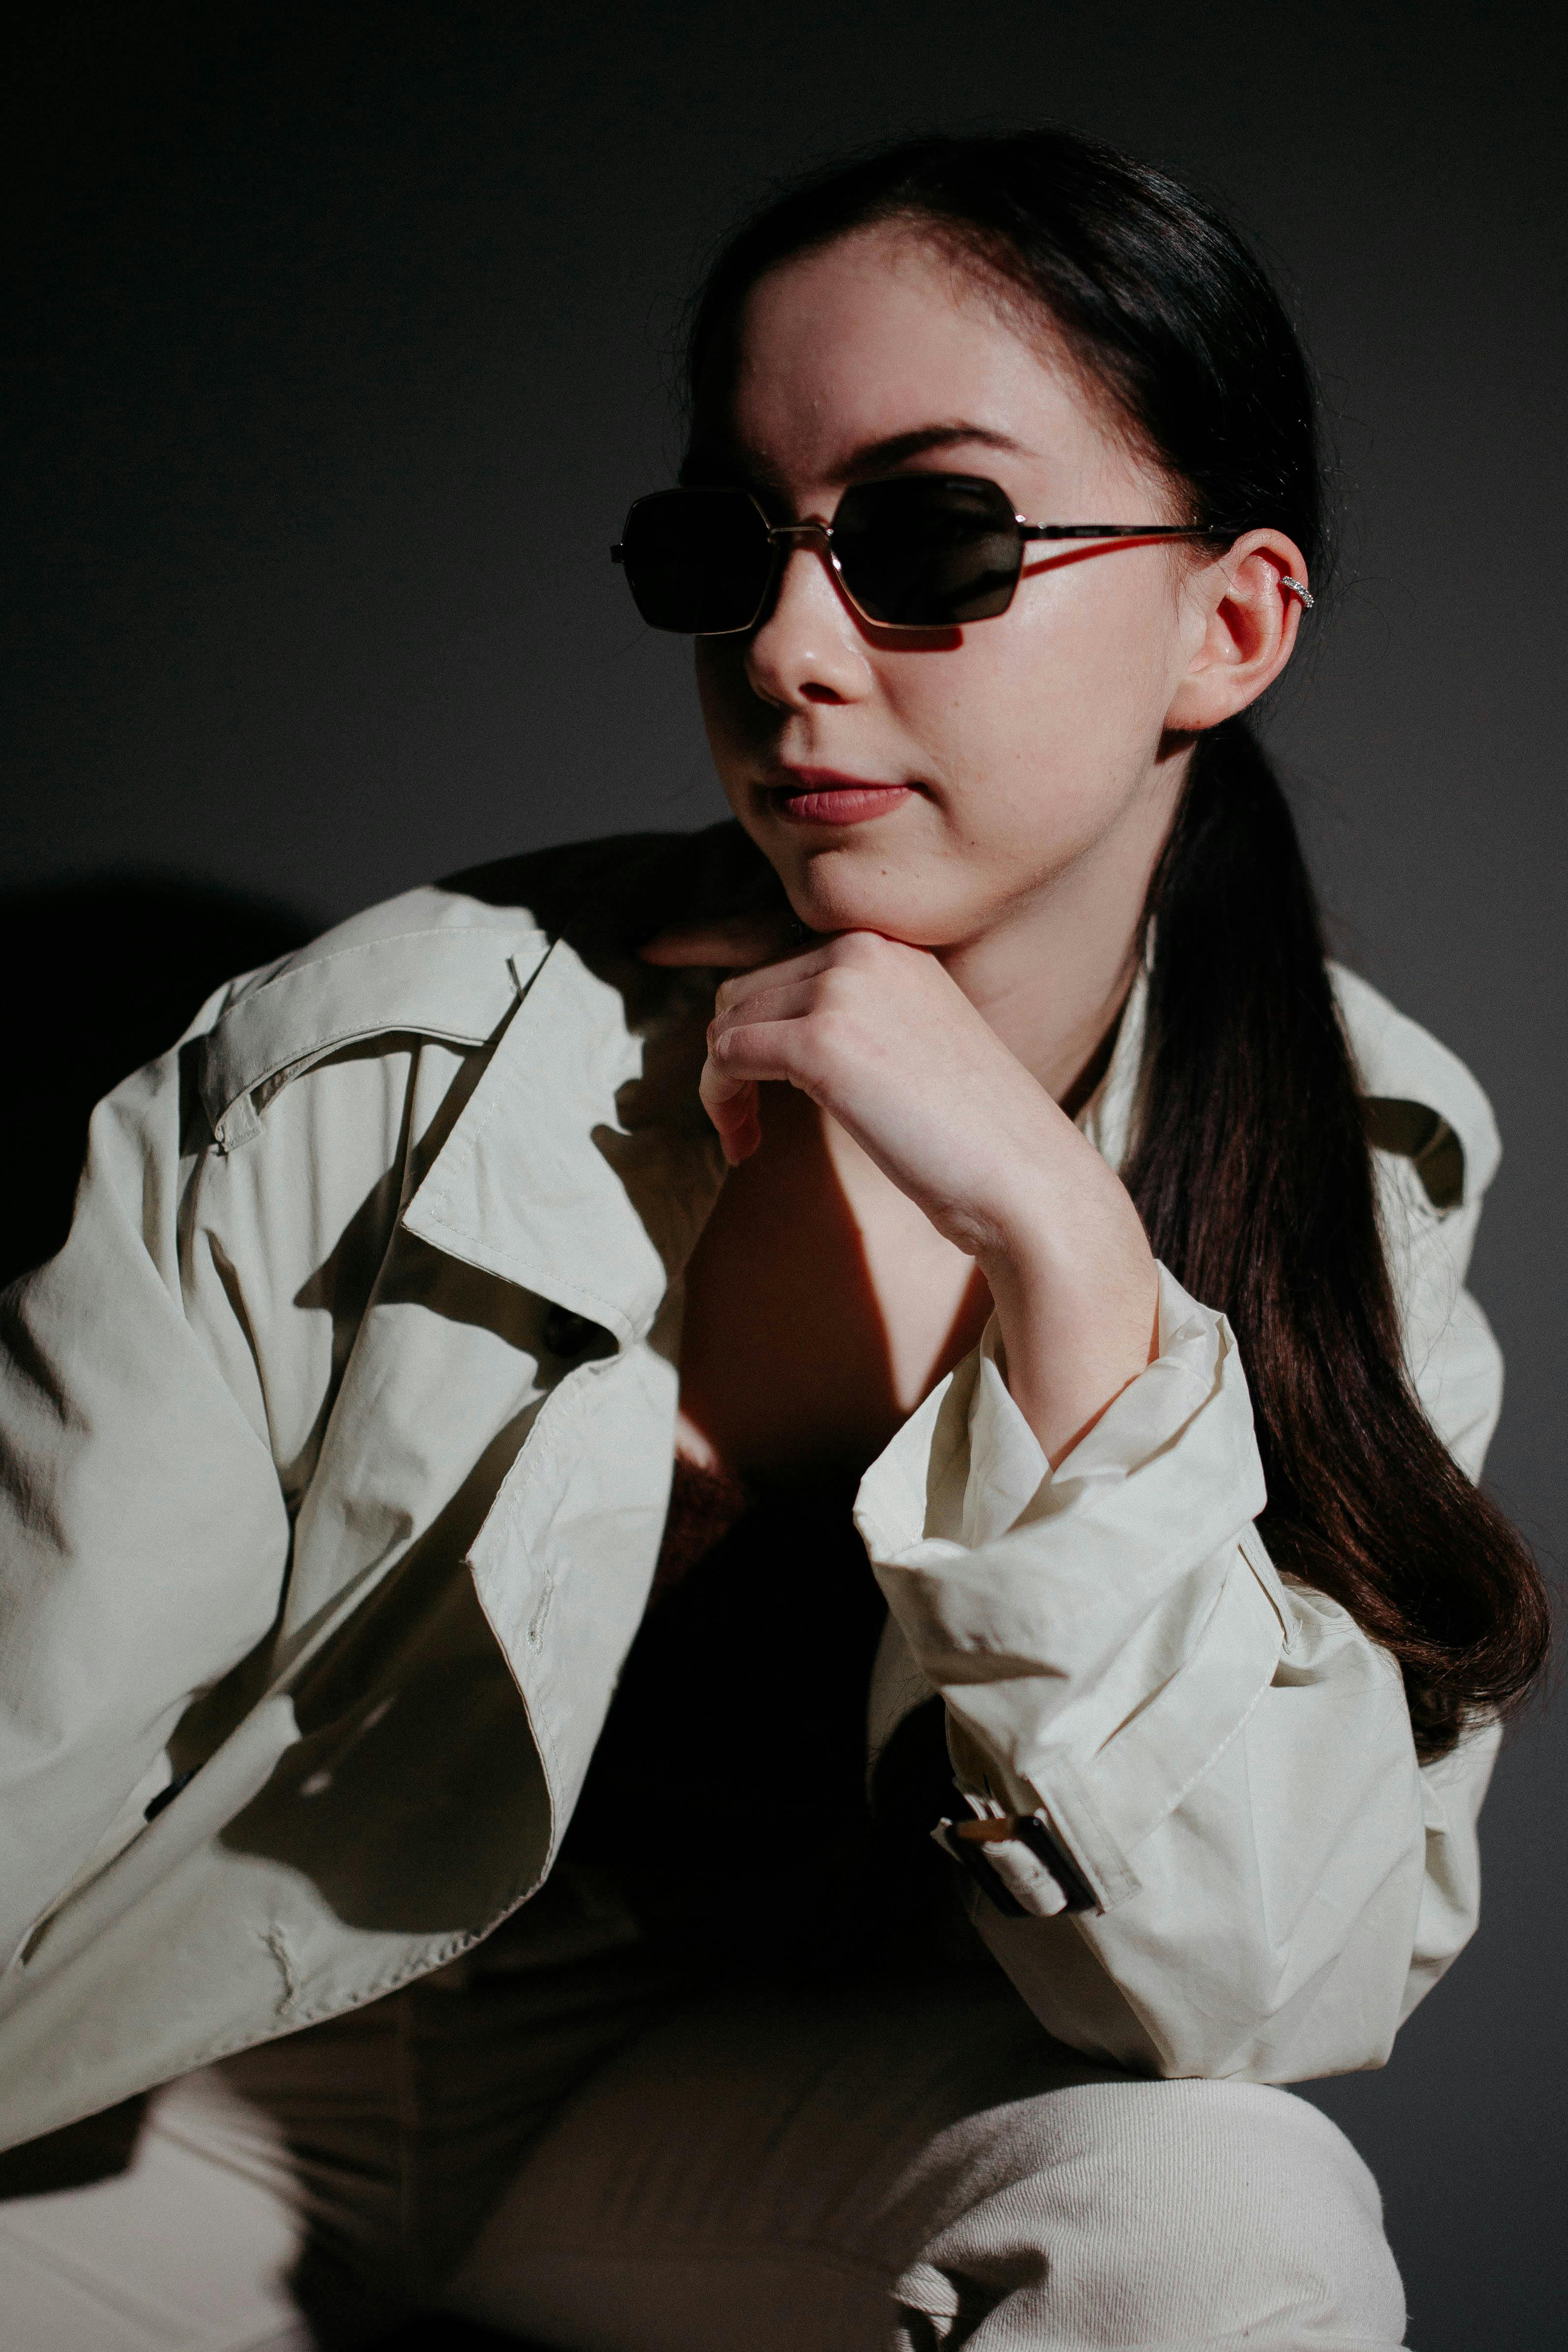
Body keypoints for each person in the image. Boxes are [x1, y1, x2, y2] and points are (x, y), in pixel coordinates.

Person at [0, 128, 1548, 2352]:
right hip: (193, 2089)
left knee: (1227, 2212)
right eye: (731, 548)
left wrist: (1060, 1248)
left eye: (932, 536)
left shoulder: (1357, 1158)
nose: (793, 646)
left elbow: (1266, 1985)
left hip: (699, 2130)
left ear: (1227, 622)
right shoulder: (370, 1065)